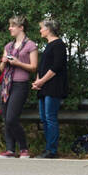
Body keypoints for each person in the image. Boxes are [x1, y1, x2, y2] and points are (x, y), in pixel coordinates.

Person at [0, 16, 38, 158]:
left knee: (11, 118)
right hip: (6, 85)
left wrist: (18, 63)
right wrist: (4, 61)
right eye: (10, 26)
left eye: (12, 26)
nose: (10, 28)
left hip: (20, 84)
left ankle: (24, 148)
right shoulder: (8, 46)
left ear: (21, 27)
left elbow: (33, 67)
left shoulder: (30, 45)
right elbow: (1, 68)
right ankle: (10, 149)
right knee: (5, 118)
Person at [31, 18, 68, 158]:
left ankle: (52, 150)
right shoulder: (48, 45)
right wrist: (37, 81)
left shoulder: (59, 44)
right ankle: (47, 148)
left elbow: (56, 67)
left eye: (42, 28)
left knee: (50, 117)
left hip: (53, 86)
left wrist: (42, 81)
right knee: (44, 118)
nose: (40, 30)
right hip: (44, 87)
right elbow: (43, 66)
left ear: (48, 29)